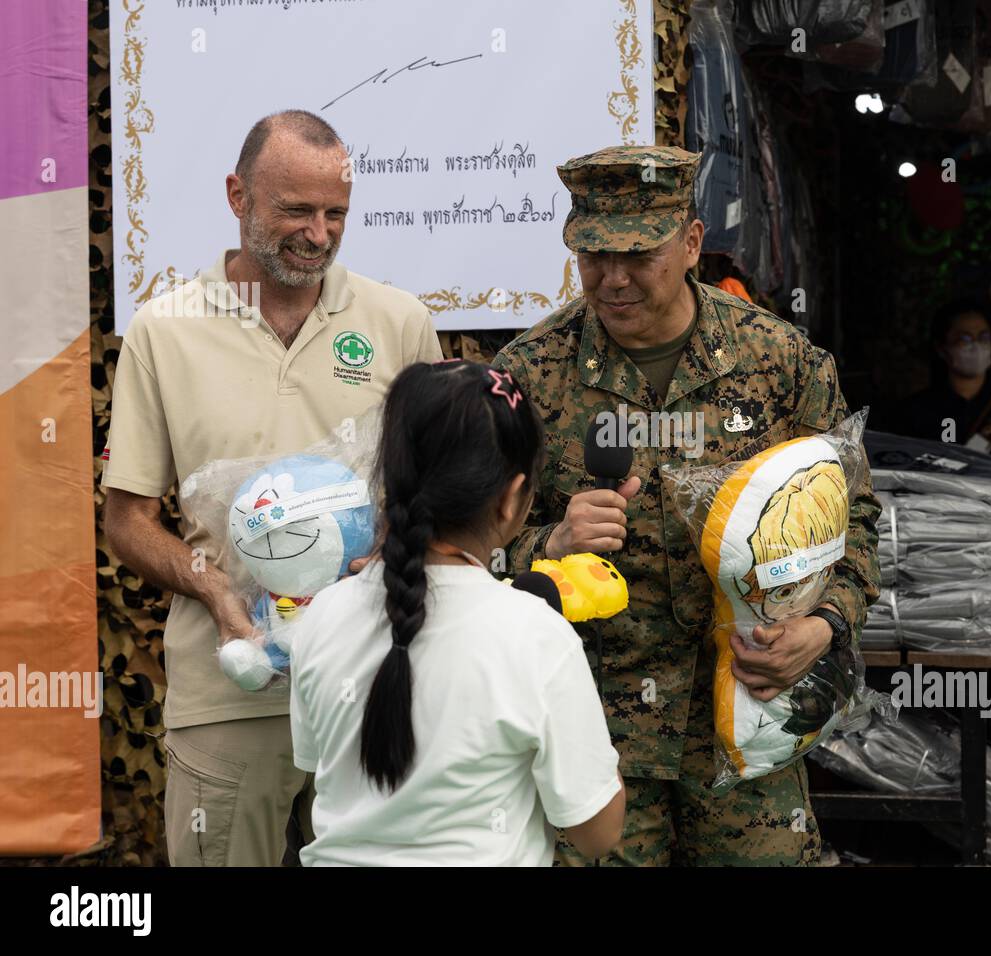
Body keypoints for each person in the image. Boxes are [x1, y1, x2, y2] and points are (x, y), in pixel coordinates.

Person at [493, 145, 881, 866]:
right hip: (593, 736)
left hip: (747, 724)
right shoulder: (529, 375)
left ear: (693, 243)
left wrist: (827, 626)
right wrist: (546, 544)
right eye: (593, 255)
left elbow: (853, 517)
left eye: (639, 255)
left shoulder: (779, 362)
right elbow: (460, 550)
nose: (613, 279)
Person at [101, 110, 443, 867]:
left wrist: (386, 549)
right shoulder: (166, 330)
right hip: (230, 691)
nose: (317, 234)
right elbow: (125, 519)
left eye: (335, 214)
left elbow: (433, 495)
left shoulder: (400, 323)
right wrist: (219, 594)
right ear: (237, 195)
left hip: (370, 687)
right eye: (295, 210)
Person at [289, 361, 625, 866]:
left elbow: (319, 768)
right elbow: (597, 834)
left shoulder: (320, 617)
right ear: (512, 499)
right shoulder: (535, 636)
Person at [889, 297, 991, 471]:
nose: (976, 345)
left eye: (984, 337)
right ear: (942, 348)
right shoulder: (916, 411)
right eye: (965, 339)